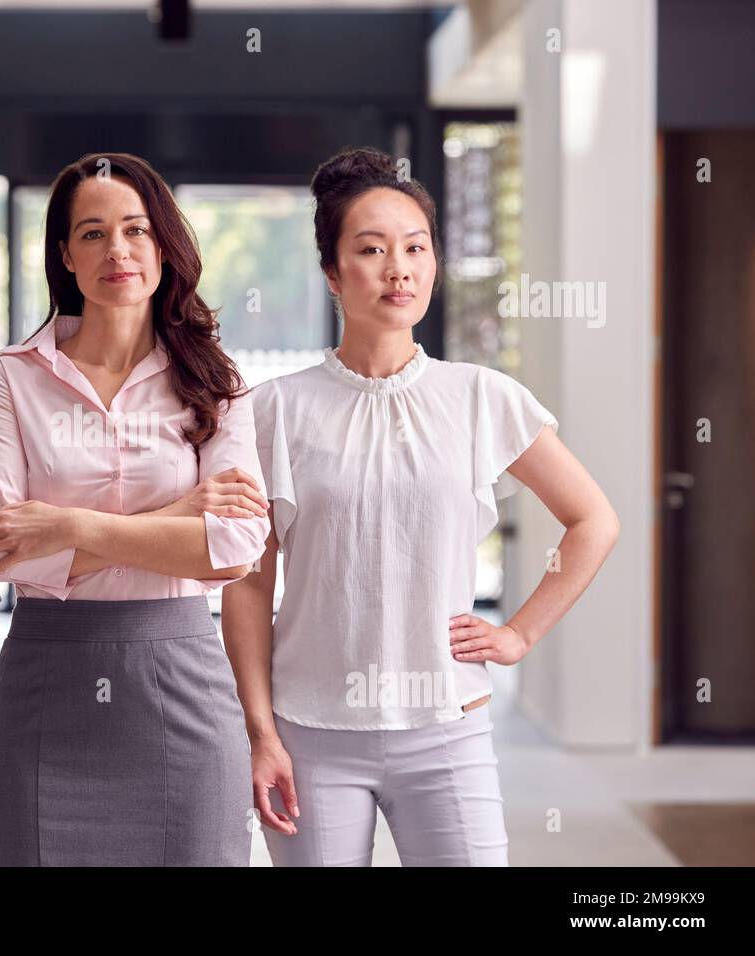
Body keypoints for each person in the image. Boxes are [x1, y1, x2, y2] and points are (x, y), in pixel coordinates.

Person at [220, 146, 620, 866]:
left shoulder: (480, 397)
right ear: (333, 273)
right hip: (311, 733)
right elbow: (248, 581)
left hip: (448, 729)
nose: (398, 267)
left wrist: (520, 635)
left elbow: (593, 520)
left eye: (415, 247)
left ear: (434, 262)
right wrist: (260, 732)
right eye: (371, 249)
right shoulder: (274, 410)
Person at [0, 152, 272, 866]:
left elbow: (234, 546)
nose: (118, 250)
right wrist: (181, 512)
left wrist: (68, 526)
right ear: (65, 255)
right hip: (44, 689)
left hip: (183, 690)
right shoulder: (10, 379)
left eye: (136, 230)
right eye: (93, 233)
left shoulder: (215, 381)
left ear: (163, 246)